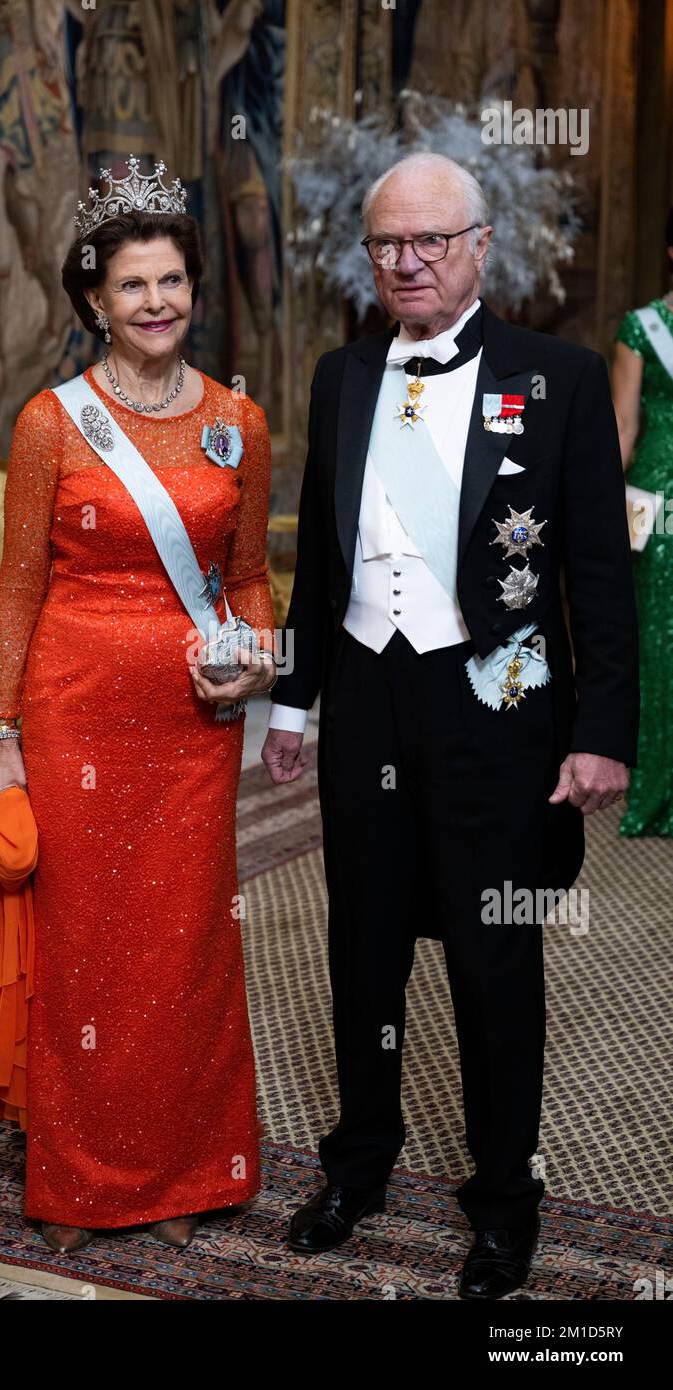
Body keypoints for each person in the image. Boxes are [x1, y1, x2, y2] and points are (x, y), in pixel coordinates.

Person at [261, 151, 639, 1299]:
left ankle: (500, 1204)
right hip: (367, 699)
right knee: (361, 950)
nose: (408, 261)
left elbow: (593, 575)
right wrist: (291, 697)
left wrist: (601, 729)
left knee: (491, 958)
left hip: (501, 703)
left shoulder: (559, 377)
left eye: (430, 240)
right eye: (387, 243)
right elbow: (321, 566)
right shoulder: (337, 376)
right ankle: (357, 1165)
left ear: (481, 245)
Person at [0, 157, 276, 1254]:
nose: (156, 304)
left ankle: (199, 1163)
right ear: (94, 300)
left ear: (194, 289)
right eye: (132, 286)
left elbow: (247, 577)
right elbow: (17, 585)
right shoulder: (51, 423)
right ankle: (86, 1178)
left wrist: (249, 651)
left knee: (187, 940)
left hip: (193, 726)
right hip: (73, 714)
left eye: (173, 283)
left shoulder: (238, 420)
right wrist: (1, 733)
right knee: (87, 945)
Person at [611, 210, 673, 837]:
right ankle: (656, 785)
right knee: (658, 639)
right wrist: (605, 511)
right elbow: (623, 426)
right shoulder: (643, 327)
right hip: (659, 502)